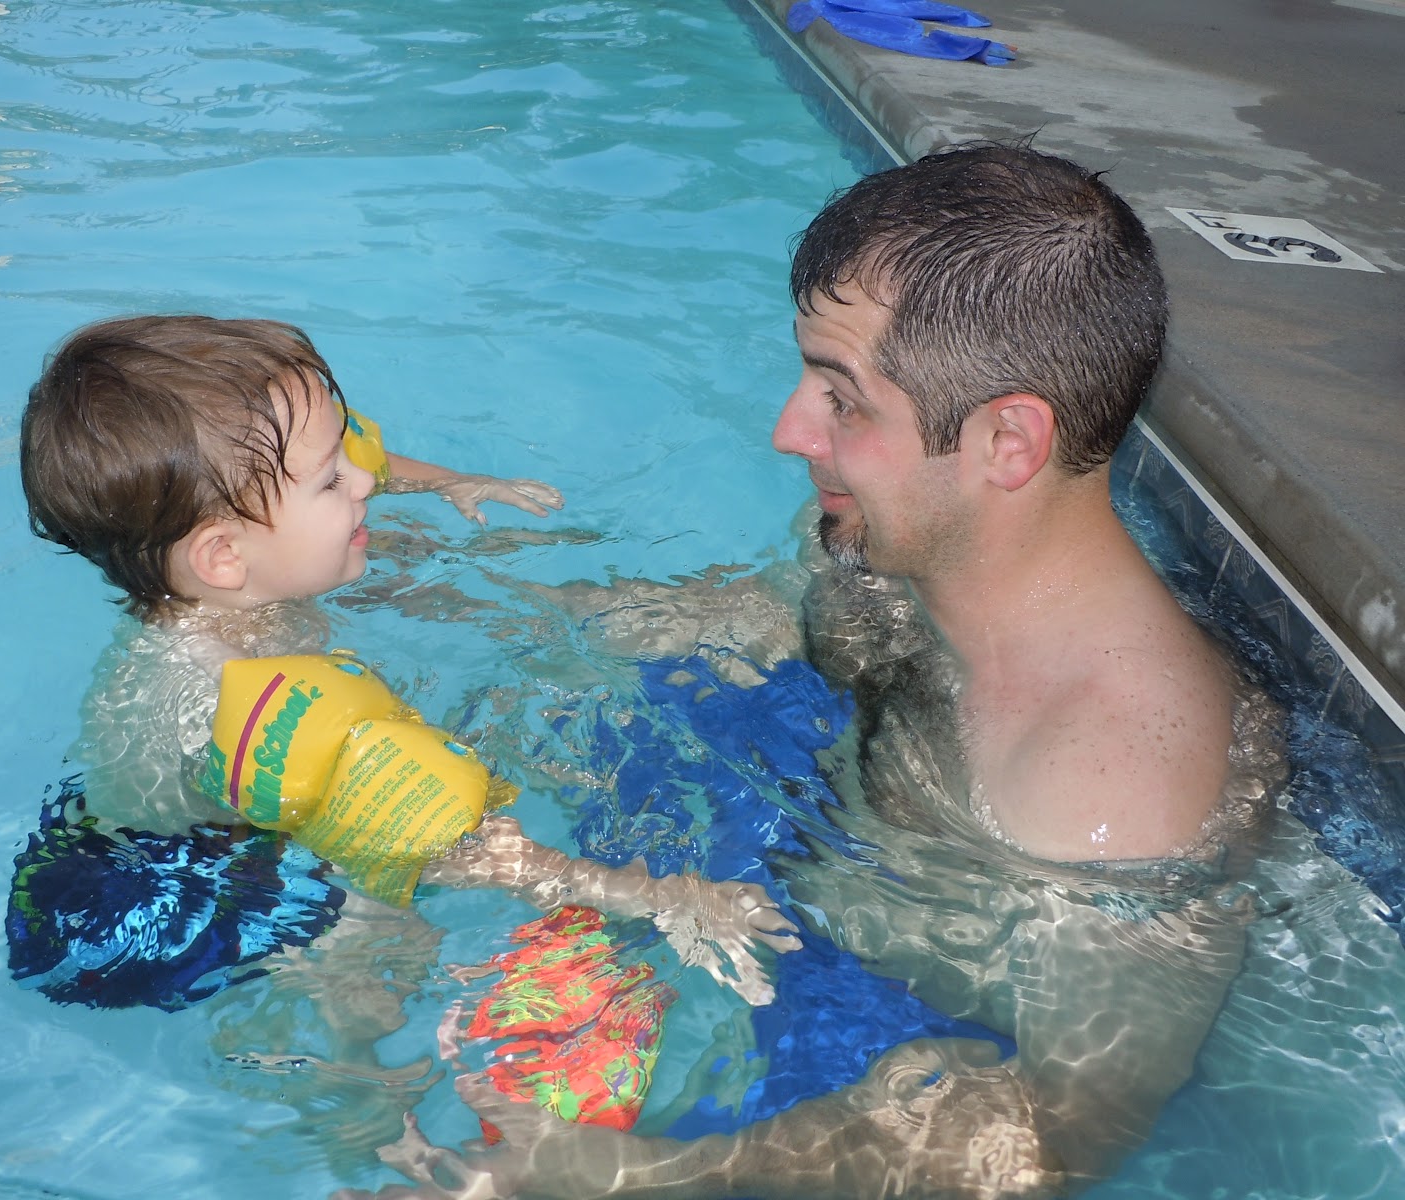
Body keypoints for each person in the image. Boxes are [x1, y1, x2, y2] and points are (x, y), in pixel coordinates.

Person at [334, 142, 1286, 1198]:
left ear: (1006, 443)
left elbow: (1049, 1135)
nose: (790, 432)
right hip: (794, 855)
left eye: (843, 401)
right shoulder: (894, 549)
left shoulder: (1106, 791)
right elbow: (743, 624)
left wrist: (654, 1176)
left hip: (881, 1027)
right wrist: (440, 592)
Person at [17, 312, 801, 1008]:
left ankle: (646, 617)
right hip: (163, 890)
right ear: (224, 555)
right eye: (331, 481)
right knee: (388, 941)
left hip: (185, 804)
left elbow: (369, 468)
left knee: (404, 558)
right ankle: (369, 1113)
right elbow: (459, 855)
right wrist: (660, 897)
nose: (362, 479)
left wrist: (456, 482)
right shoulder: (231, 699)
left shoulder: (241, 578)